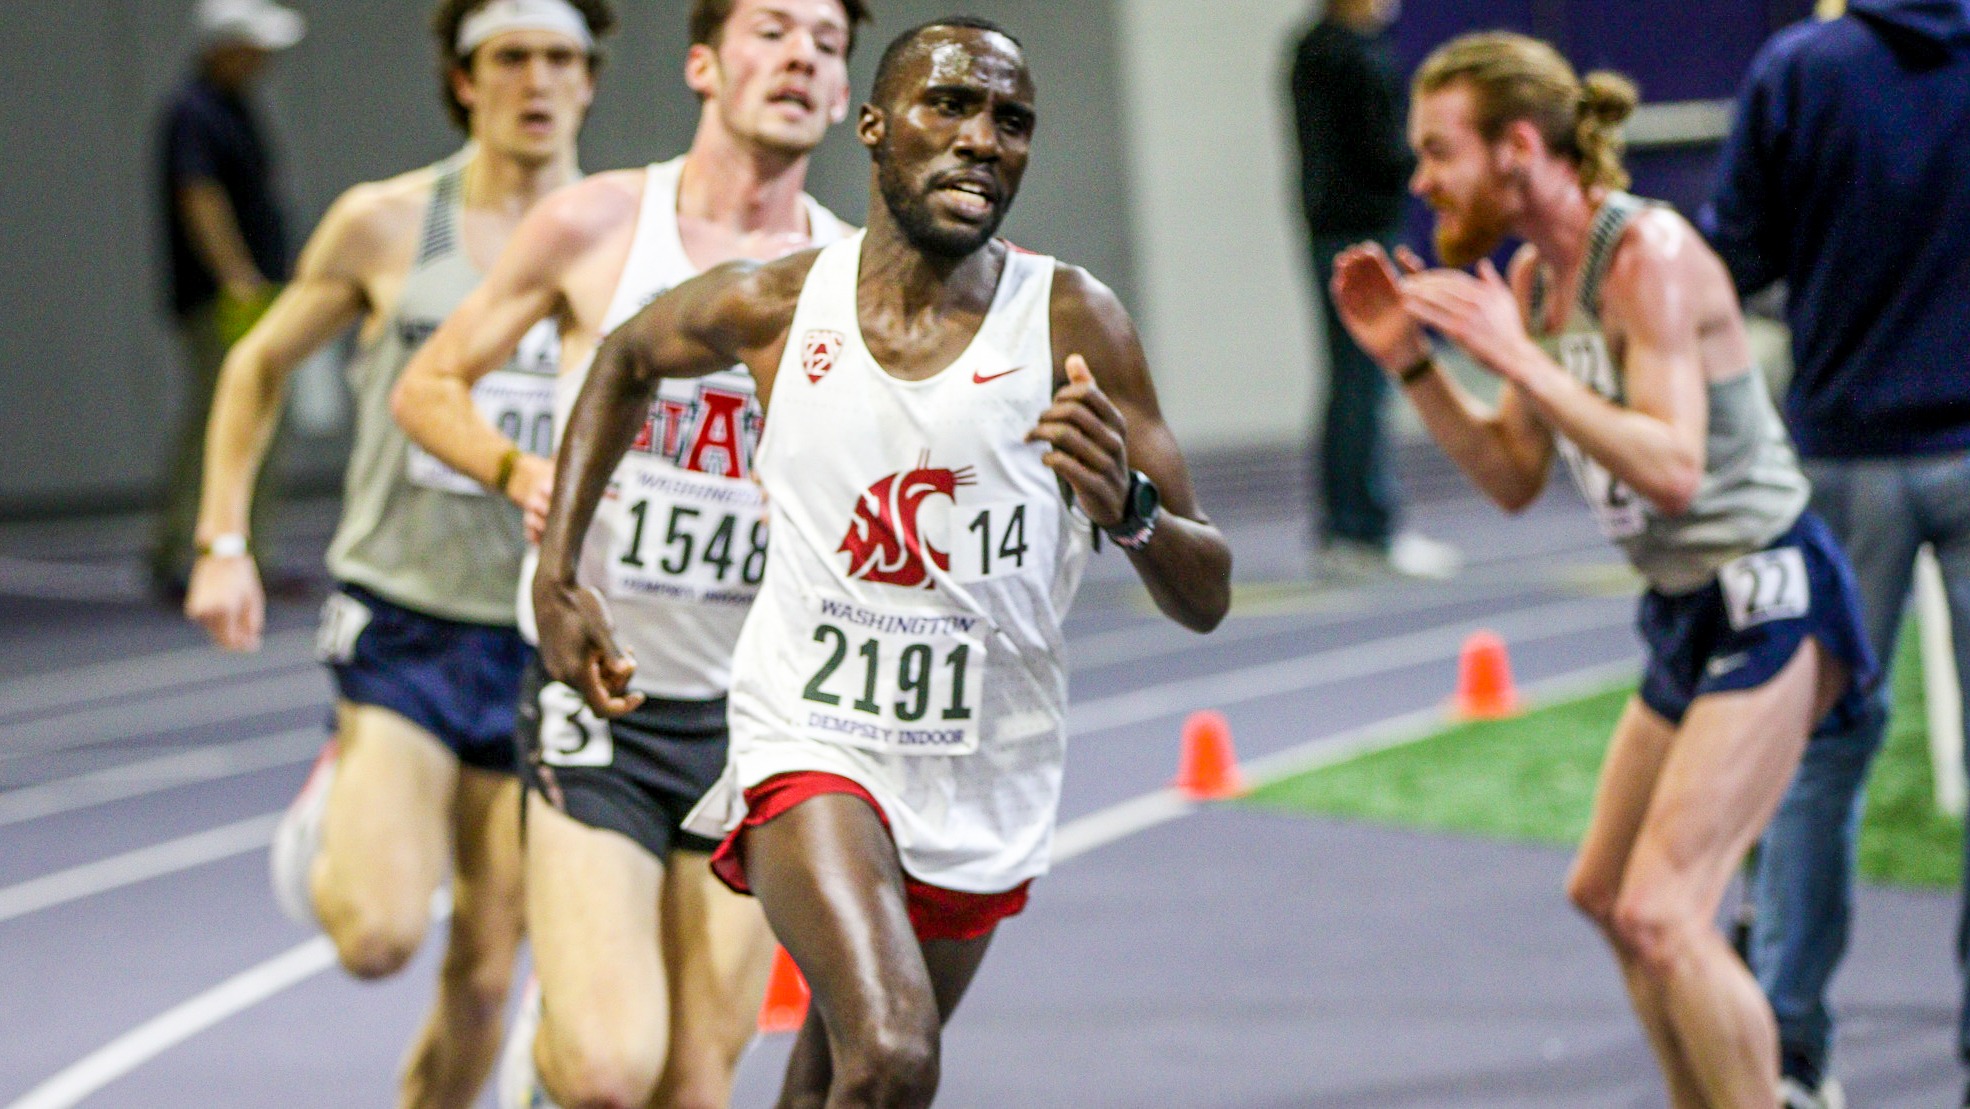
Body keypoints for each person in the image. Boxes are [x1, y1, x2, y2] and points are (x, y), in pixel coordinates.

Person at [531, 17, 1232, 1106]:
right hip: (810, 740)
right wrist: (557, 574)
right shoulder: (776, 304)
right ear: (872, 127)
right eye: (947, 106)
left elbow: (1207, 590)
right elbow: (625, 356)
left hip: (980, 764)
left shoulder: (1070, 318)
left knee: (835, 1081)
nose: (980, 140)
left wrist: (1128, 507)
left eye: (1010, 121)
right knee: (896, 1051)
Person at [1330, 32, 1877, 1108]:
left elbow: (1674, 467)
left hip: (1771, 590)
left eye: (1438, 152)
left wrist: (1520, 358)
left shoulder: (1651, 256)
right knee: (1605, 892)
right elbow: (1513, 475)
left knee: (1664, 911)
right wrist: (1411, 360)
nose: (1421, 181)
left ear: (1519, 147)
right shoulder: (1537, 277)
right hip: (1686, 607)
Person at [390, 1, 866, 1103]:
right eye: (772, 30)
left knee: (696, 1080)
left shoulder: (852, 279)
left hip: (756, 716)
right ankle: (551, 1054)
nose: (801, 55)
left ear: (845, 97)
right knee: (607, 1068)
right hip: (595, 696)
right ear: (704, 62)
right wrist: (522, 473)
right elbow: (428, 384)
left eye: (828, 45)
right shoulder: (597, 222)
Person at [182, 1, 616, 1104]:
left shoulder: (625, 240)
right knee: (377, 934)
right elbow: (255, 367)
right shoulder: (385, 222)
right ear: (465, 81)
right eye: (510, 57)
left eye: (560, 58)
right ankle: (343, 794)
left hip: (537, 635)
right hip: (404, 617)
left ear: (590, 81)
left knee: (483, 970)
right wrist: (223, 540)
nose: (537, 80)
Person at [1700, 0, 1970, 1103]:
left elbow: (1736, 247)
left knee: (1817, 756)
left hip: (1846, 449)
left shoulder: (1800, 69)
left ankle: (1793, 1047)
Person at [1286, 0, 1459, 581]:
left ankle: (1352, 526)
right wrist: (1436, 150)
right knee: (1364, 379)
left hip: (1350, 226)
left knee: (1357, 380)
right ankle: (1365, 527)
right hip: (1353, 232)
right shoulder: (1339, 51)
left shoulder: (1332, 48)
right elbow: (1376, 150)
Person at [153, 0, 306, 598]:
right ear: (222, 46)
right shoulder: (195, 113)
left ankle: (243, 550)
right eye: (252, 47)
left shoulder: (235, 107)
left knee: (251, 420)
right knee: (227, 421)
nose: (262, 59)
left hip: (255, 291)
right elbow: (200, 197)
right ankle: (193, 554)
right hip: (227, 299)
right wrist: (238, 279)